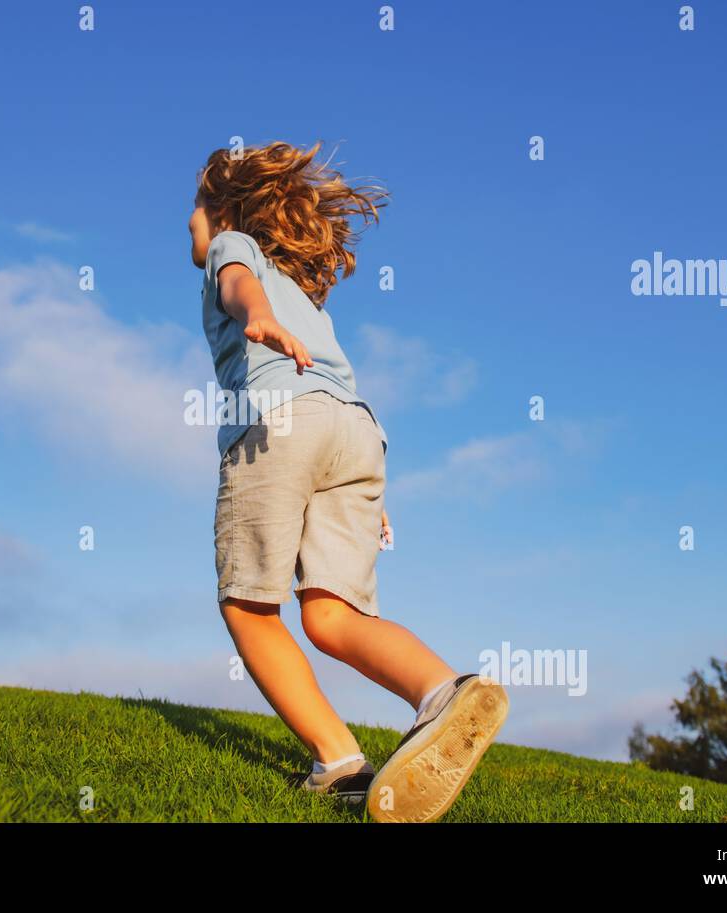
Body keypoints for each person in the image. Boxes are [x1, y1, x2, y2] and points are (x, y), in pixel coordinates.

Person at [189, 141, 509, 823]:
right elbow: (338, 398)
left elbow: (236, 278)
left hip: (277, 422)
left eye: (194, 210)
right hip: (356, 432)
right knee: (333, 616)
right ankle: (440, 690)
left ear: (220, 211)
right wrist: (374, 496)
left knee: (248, 605)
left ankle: (336, 759)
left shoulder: (232, 245)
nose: (189, 224)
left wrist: (255, 315)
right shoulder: (305, 295)